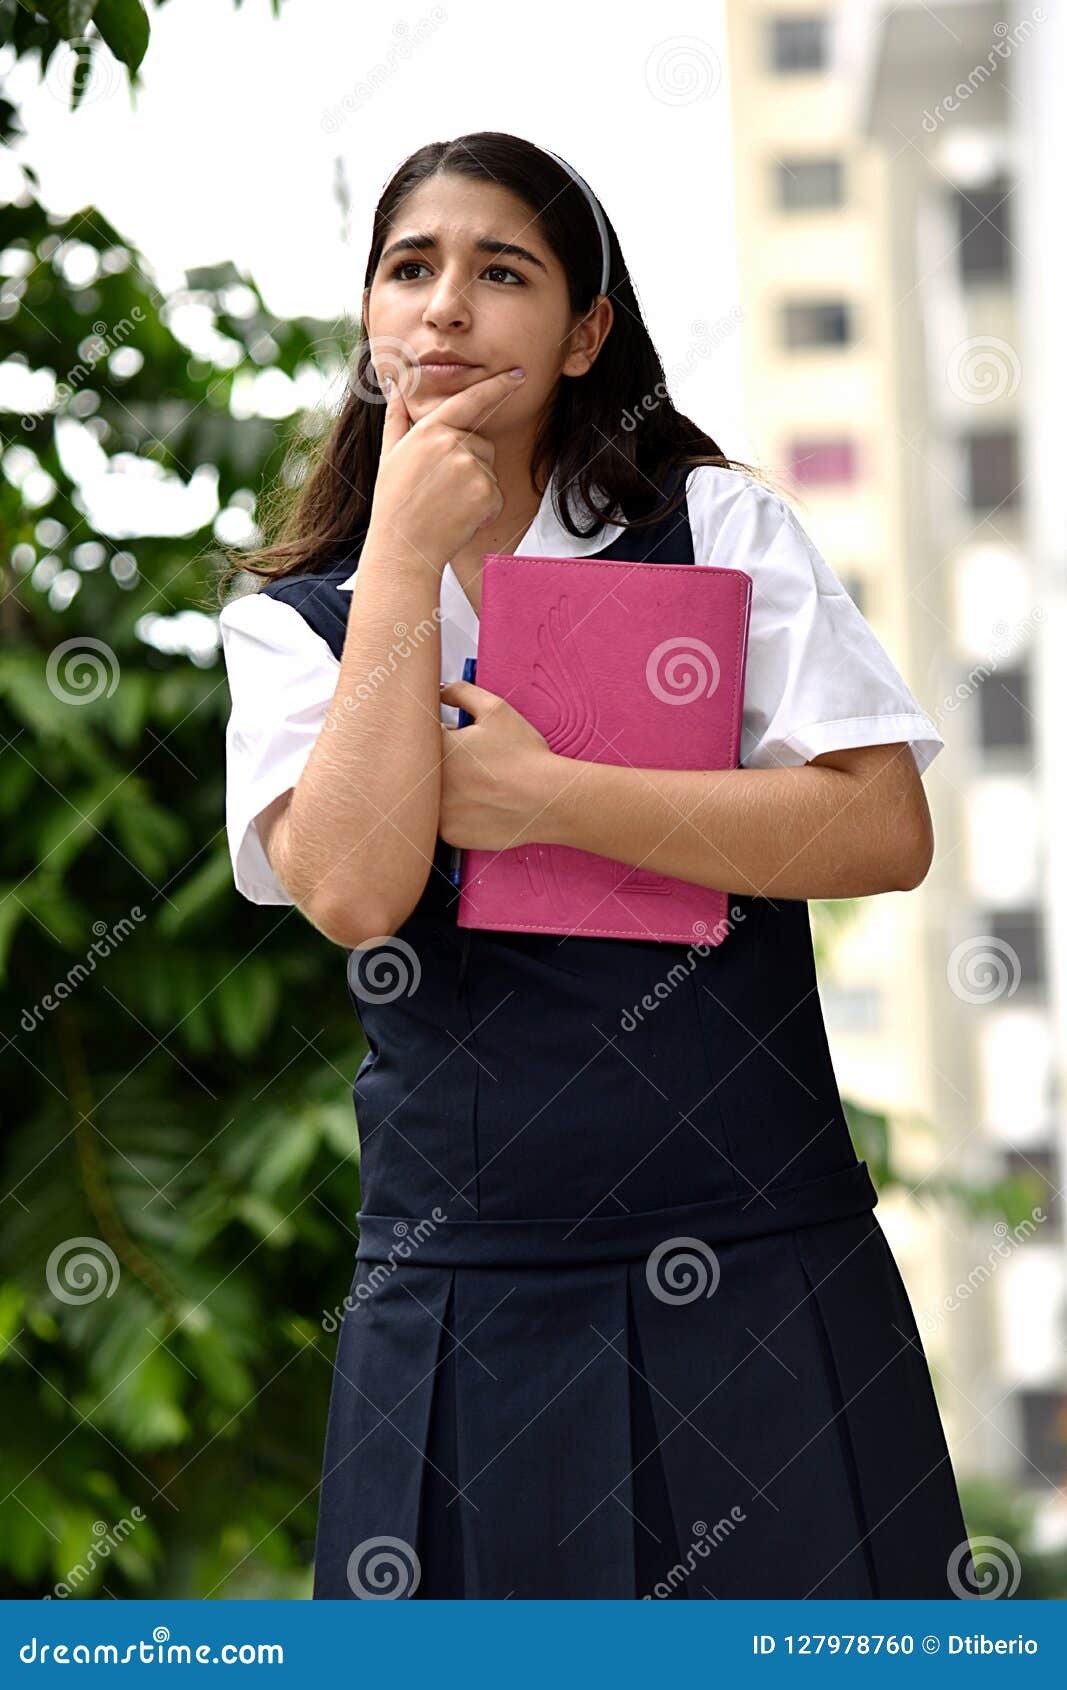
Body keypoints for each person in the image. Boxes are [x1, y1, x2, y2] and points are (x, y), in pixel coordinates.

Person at [216, 131, 975, 1600]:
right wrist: (397, 564)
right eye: (409, 271)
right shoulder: (294, 622)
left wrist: (552, 795)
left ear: (584, 333)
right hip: (467, 1298)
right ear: (371, 324)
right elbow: (357, 889)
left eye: (501, 273)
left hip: (763, 1257)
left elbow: (883, 827)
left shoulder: (716, 528)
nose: (444, 309)